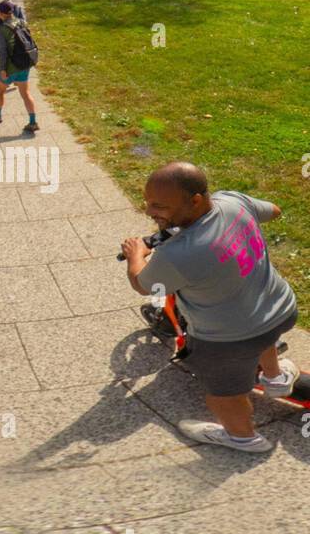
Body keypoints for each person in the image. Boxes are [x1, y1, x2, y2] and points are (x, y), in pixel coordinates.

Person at [125, 162, 298, 452]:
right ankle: (275, 378)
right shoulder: (232, 201)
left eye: (159, 206)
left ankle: (243, 438)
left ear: (194, 201)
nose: (149, 212)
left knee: (221, 396)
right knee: (261, 331)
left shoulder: (177, 255)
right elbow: (275, 210)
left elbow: (143, 284)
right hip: (281, 308)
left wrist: (135, 254)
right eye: (147, 203)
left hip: (230, 339)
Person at [0, 0, 39, 135]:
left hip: (9, 67)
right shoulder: (22, 22)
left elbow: (2, 53)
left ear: (1, 14)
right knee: (26, 93)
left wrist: (3, 70)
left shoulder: (2, 30)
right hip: (24, 64)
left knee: (0, 91)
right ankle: (33, 121)